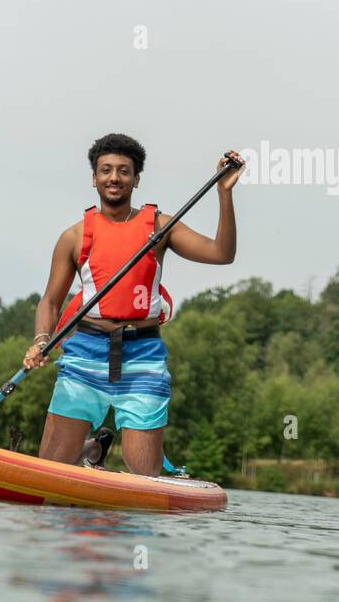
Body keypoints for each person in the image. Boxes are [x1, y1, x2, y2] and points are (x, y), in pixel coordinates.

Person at [24, 135, 242, 475]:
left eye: (124, 171)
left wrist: (224, 193)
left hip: (143, 356)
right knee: (49, 469)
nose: (114, 177)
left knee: (145, 476)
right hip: (85, 353)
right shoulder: (74, 236)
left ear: (136, 179)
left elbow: (222, 254)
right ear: (94, 178)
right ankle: (89, 452)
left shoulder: (160, 227)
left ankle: (94, 456)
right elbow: (50, 302)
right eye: (106, 170)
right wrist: (40, 340)